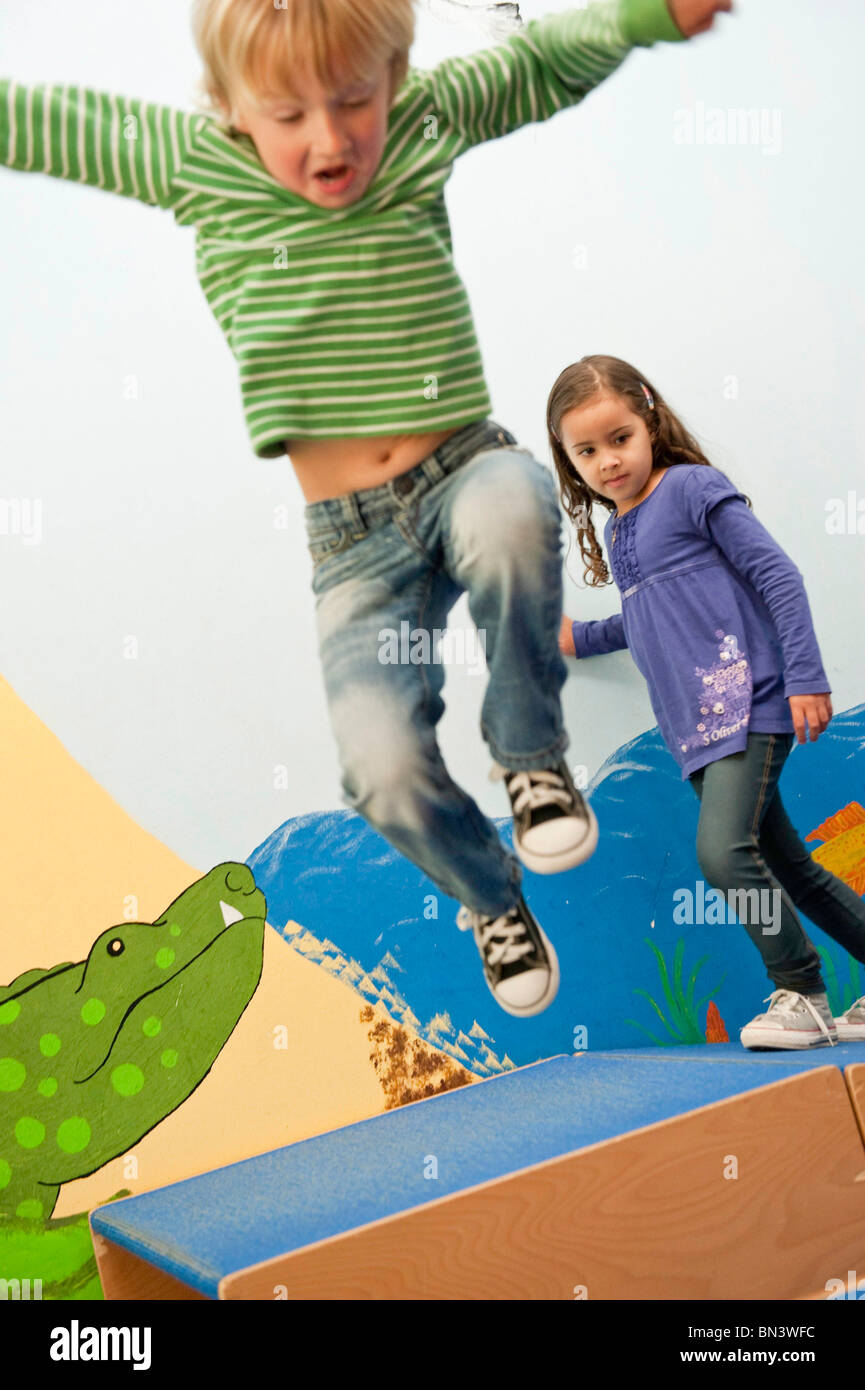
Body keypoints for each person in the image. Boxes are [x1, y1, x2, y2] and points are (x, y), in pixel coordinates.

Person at [1, 0, 730, 1018]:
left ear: (394, 80)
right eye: (288, 114)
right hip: (349, 542)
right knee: (380, 770)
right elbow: (44, 120)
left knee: (516, 508)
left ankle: (530, 761)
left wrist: (649, 16)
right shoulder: (190, 162)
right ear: (227, 107)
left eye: (355, 102)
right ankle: (490, 897)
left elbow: (542, 61)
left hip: (461, 466)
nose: (331, 139)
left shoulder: (427, 121)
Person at [550, 353, 865, 1047]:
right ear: (568, 460)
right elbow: (649, 616)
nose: (607, 461)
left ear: (648, 417)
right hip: (695, 732)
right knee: (793, 868)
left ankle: (801, 991)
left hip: (750, 705)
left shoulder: (691, 488)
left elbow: (776, 576)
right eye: (586, 451)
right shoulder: (618, 529)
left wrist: (806, 677)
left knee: (722, 855)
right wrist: (580, 636)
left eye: (619, 439)